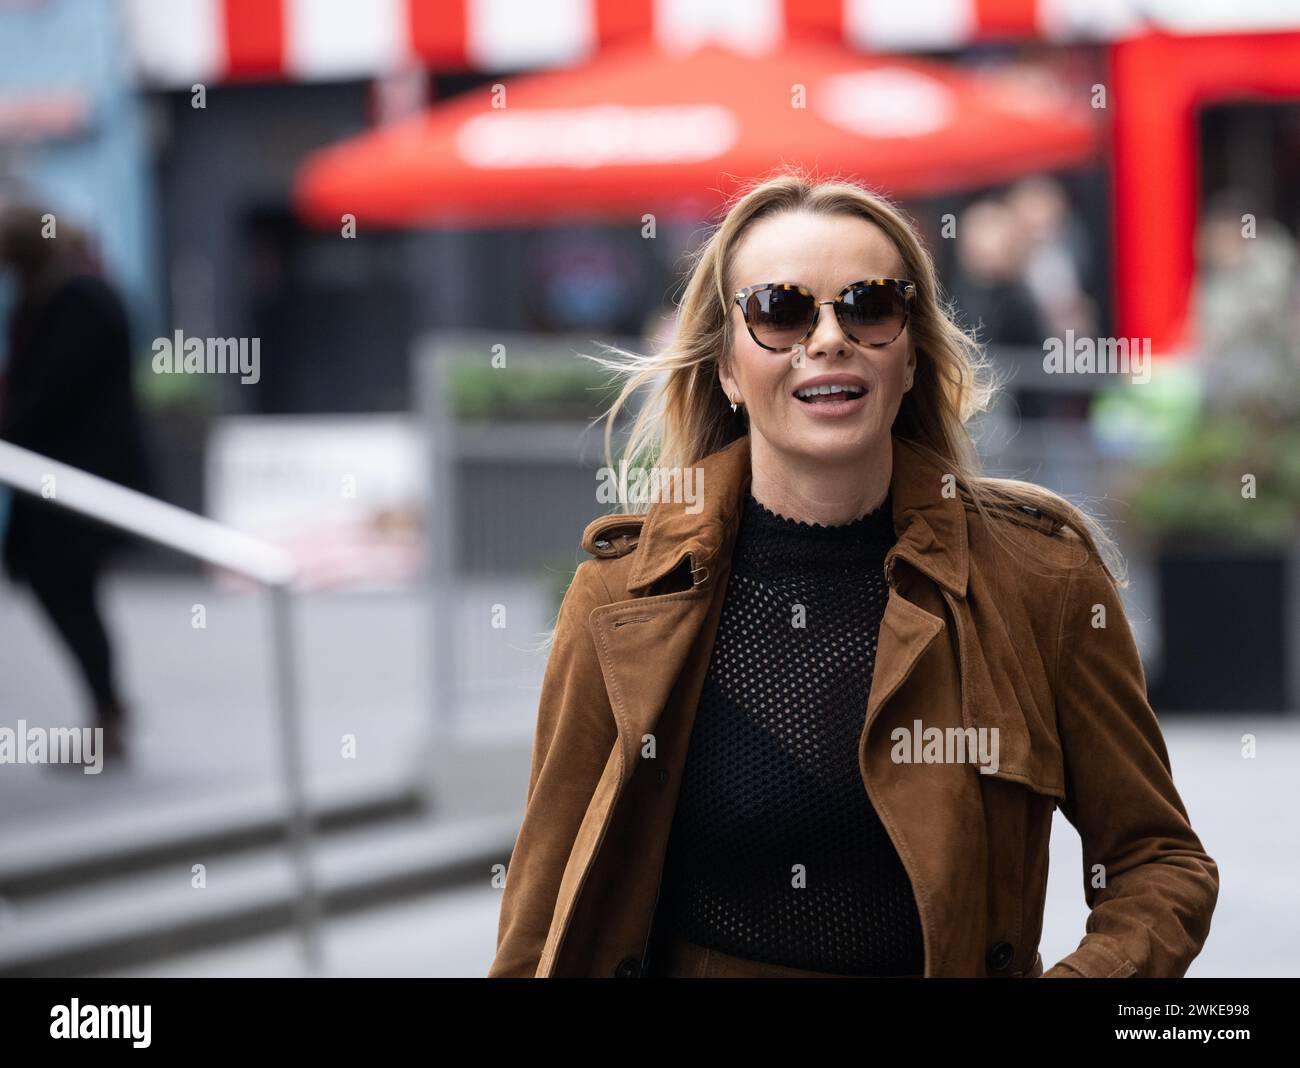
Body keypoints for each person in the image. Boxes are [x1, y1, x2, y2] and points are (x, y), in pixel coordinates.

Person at [487, 168, 1218, 978]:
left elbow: (1158, 862)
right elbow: (541, 916)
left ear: (910, 356)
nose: (828, 338)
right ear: (727, 366)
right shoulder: (624, 596)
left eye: (870, 307)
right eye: (780, 310)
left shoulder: (1039, 579)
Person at [0, 202, 151, 765]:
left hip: (72, 485)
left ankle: (108, 713)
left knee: (68, 591)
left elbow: (46, 395)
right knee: (72, 594)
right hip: (62, 483)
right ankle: (108, 713)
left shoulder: (77, 298)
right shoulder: (68, 292)